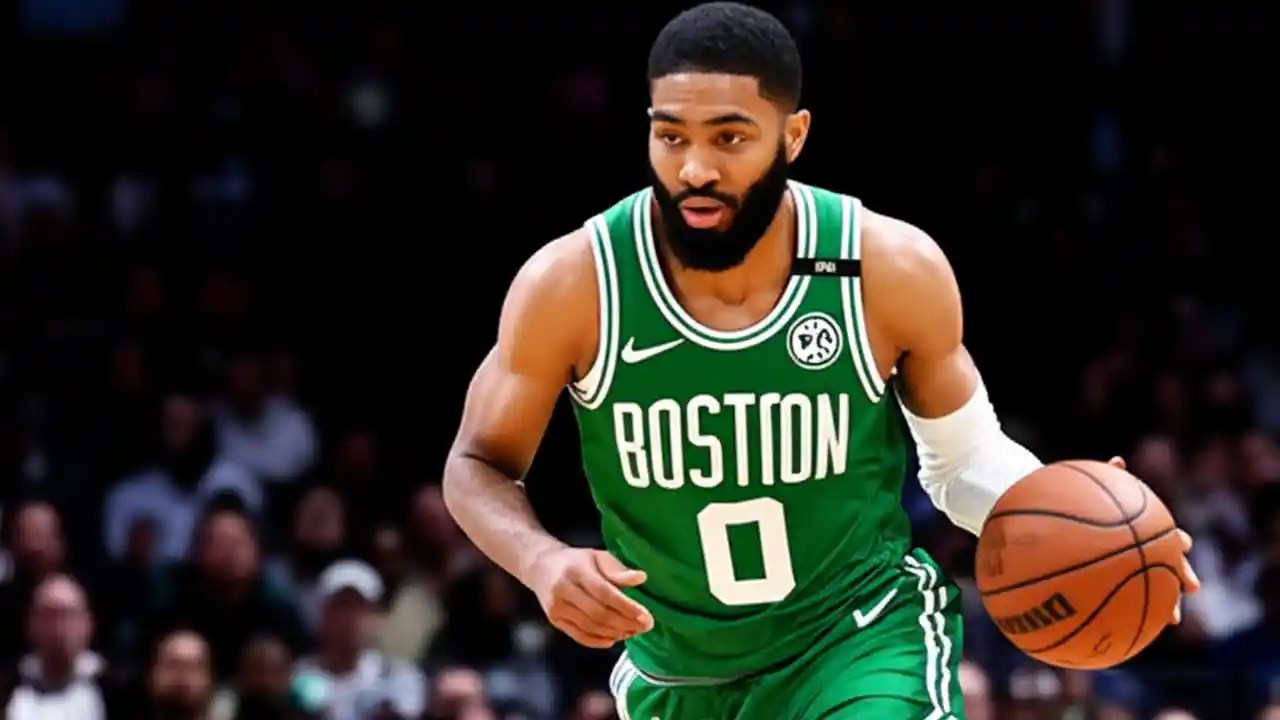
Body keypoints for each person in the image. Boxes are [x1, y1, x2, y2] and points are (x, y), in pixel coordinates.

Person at [441, 3, 1200, 718]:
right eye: (671, 136)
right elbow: (476, 463)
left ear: (793, 134)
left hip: (859, 637)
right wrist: (541, 561)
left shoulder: (886, 267)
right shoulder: (574, 284)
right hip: (677, 671)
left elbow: (960, 465)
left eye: (729, 138)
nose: (695, 168)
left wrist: (1091, 525)